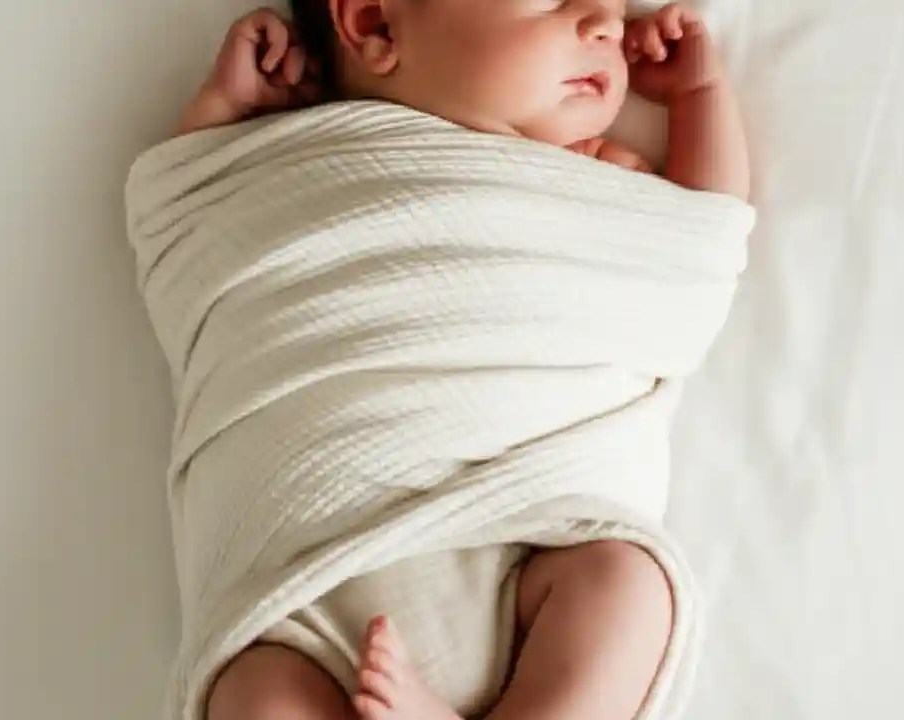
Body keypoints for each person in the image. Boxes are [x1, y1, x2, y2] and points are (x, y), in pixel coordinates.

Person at [174, 2, 750, 718]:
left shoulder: (592, 173)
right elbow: (198, 226)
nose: (605, 22)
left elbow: (698, 245)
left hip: (534, 544)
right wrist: (225, 115)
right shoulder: (294, 161)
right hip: (311, 590)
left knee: (627, 586)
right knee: (254, 694)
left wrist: (701, 100)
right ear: (377, 25)